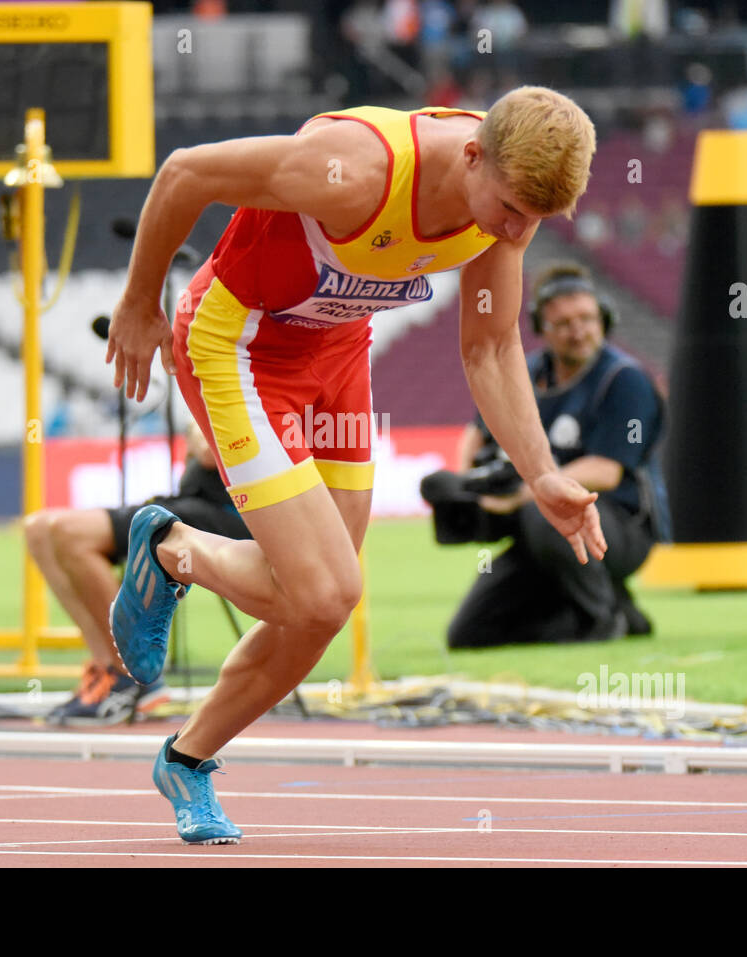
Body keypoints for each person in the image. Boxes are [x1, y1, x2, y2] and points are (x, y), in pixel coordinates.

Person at [105, 86, 605, 845]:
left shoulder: (508, 199)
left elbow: (492, 345)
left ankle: (187, 756)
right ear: (472, 156)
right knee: (328, 588)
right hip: (236, 343)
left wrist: (541, 475)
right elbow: (183, 173)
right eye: (510, 209)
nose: (516, 231)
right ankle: (177, 550)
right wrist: (141, 301)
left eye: (537, 219)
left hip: (337, 350)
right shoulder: (352, 169)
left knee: (319, 611)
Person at [447, 262, 670, 646]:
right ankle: (611, 611)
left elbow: (606, 471)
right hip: (543, 527)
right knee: (470, 634)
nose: (579, 332)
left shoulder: (624, 380)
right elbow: (477, 432)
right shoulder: (529, 373)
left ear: (604, 318)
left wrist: (524, 493)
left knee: (544, 512)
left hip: (619, 524)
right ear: (542, 329)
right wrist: (470, 486)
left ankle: (603, 618)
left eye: (586, 319)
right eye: (564, 324)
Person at [23, 421, 250, 724]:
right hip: (195, 502)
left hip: (233, 514)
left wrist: (197, 432)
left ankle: (134, 679)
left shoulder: (245, 382)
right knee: (38, 529)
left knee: (69, 534)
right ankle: (107, 669)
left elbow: (211, 449)